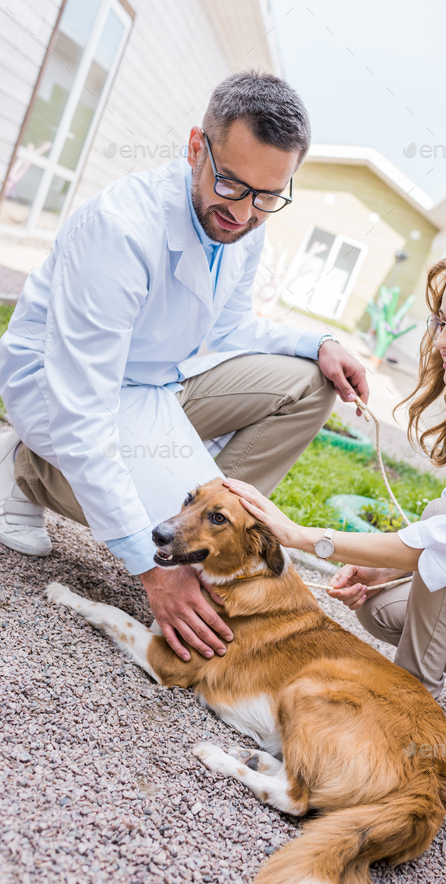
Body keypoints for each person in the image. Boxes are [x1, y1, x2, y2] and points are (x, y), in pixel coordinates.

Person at [0, 71, 368, 665]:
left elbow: (229, 328)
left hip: (149, 387)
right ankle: (25, 468)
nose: (245, 213)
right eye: (232, 184)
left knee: (306, 383)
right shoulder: (119, 232)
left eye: (269, 196)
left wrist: (318, 342)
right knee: (138, 523)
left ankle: (192, 539)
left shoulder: (244, 221)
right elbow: (83, 415)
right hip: (63, 392)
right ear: (197, 147)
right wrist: (150, 567)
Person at [224, 247, 446, 753]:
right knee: (382, 607)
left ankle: (404, 709)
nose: (443, 340)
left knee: (445, 521)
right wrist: (381, 570)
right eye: (440, 322)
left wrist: (301, 536)